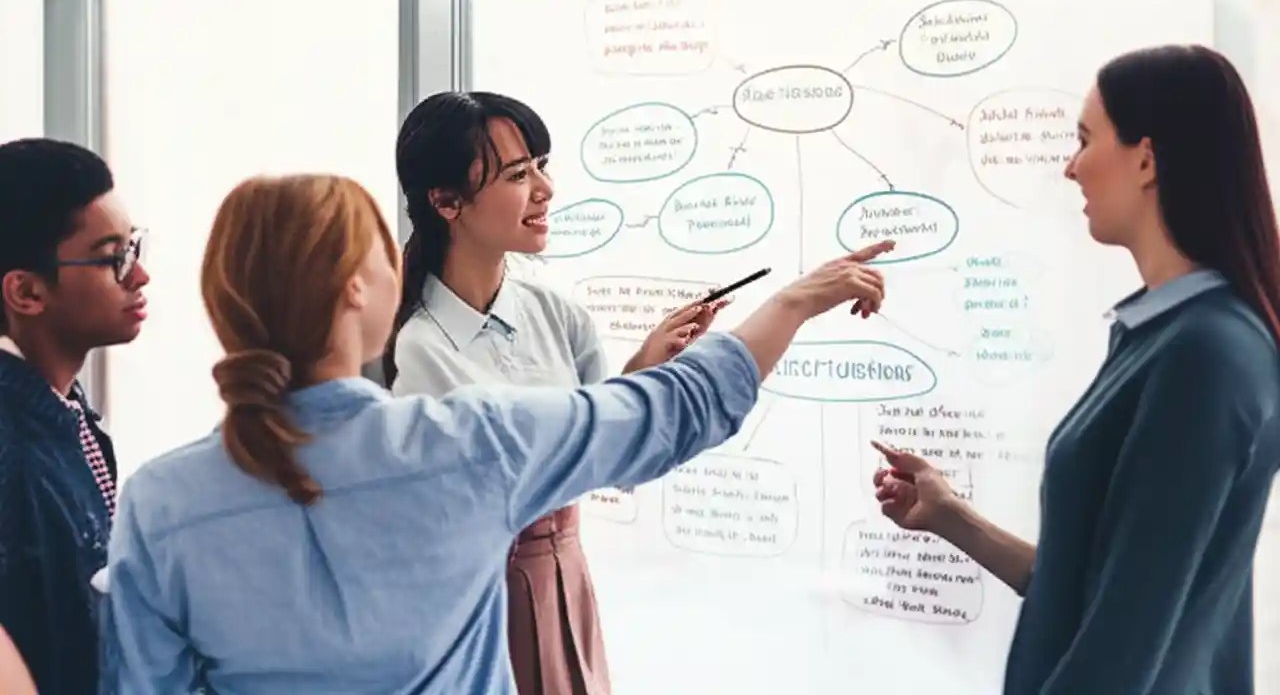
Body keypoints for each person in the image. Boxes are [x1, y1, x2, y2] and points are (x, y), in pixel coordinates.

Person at [98, 172, 893, 693]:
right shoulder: (470, 443)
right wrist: (792, 302)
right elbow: (677, 409)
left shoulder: (160, 501)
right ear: (354, 289)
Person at [872, 44, 1280, 694]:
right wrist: (951, 516)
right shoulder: (1162, 336)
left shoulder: (1207, 356)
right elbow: (1096, 593)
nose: (1071, 167)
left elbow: (1122, 647)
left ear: (1146, 159)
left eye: (1086, 139)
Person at [384, 90, 730, 695]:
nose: (545, 189)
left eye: (541, 166)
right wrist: (623, 406)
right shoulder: (415, 347)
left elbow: (614, 464)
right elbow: (508, 484)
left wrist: (645, 370)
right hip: (473, 592)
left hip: (565, 574)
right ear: (445, 202)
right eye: (519, 174)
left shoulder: (553, 306)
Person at [0, 138, 150, 694]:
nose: (138, 276)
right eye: (114, 258)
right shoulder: (11, 448)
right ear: (27, 291)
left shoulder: (60, 408)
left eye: (133, 247)